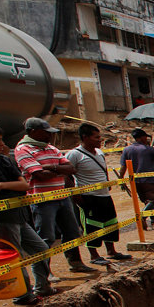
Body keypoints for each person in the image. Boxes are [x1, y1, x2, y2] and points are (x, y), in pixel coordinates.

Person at [0, 120, 52, 304]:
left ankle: (42, 286)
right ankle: (24, 295)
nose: (1, 144)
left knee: (40, 249)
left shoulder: (3, 160)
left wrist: (0, 185)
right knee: (15, 258)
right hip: (1, 220)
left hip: (19, 216)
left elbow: (24, 184)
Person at [15, 117, 96, 273]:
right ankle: (45, 273)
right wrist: (57, 168)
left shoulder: (51, 148)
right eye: (45, 133)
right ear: (33, 132)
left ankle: (75, 262)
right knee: (46, 237)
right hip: (42, 199)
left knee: (72, 232)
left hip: (62, 196)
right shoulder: (23, 150)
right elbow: (40, 175)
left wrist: (49, 166)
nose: (49, 136)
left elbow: (71, 168)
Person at [65, 123, 131, 265]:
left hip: (104, 195)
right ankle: (94, 255)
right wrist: (74, 193)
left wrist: (106, 182)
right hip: (88, 197)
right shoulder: (75, 154)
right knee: (91, 225)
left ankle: (111, 251)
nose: (100, 140)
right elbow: (66, 175)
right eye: (96, 137)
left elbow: (103, 169)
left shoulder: (100, 153)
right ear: (85, 137)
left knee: (110, 222)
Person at [117, 128, 154, 229]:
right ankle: (142, 217)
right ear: (141, 138)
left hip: (136, 181)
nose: (147, 139)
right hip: (149, 180)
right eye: (146, 137)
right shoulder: (148, 149)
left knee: (146, 200)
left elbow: (123, 166)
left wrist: (121, 179)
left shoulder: (127, 149)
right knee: (152, 201)